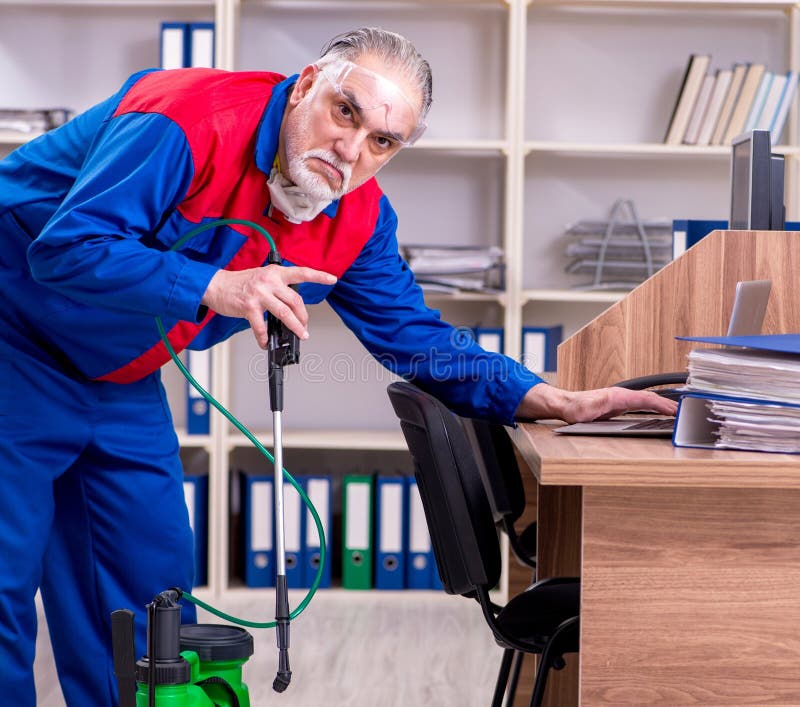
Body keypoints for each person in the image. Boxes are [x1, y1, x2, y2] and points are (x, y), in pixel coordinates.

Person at [0, 26, 675, 706]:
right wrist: (215, 286)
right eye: (344, 111)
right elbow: (65, 247)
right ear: (304, 85)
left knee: (153, 597)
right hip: (12, 331)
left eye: (383, 142)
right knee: (4, 578)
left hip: (117, 372)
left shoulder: (357, 218)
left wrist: (547, 397)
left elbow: (414, 336)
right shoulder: (185, 119)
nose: (350, 150)